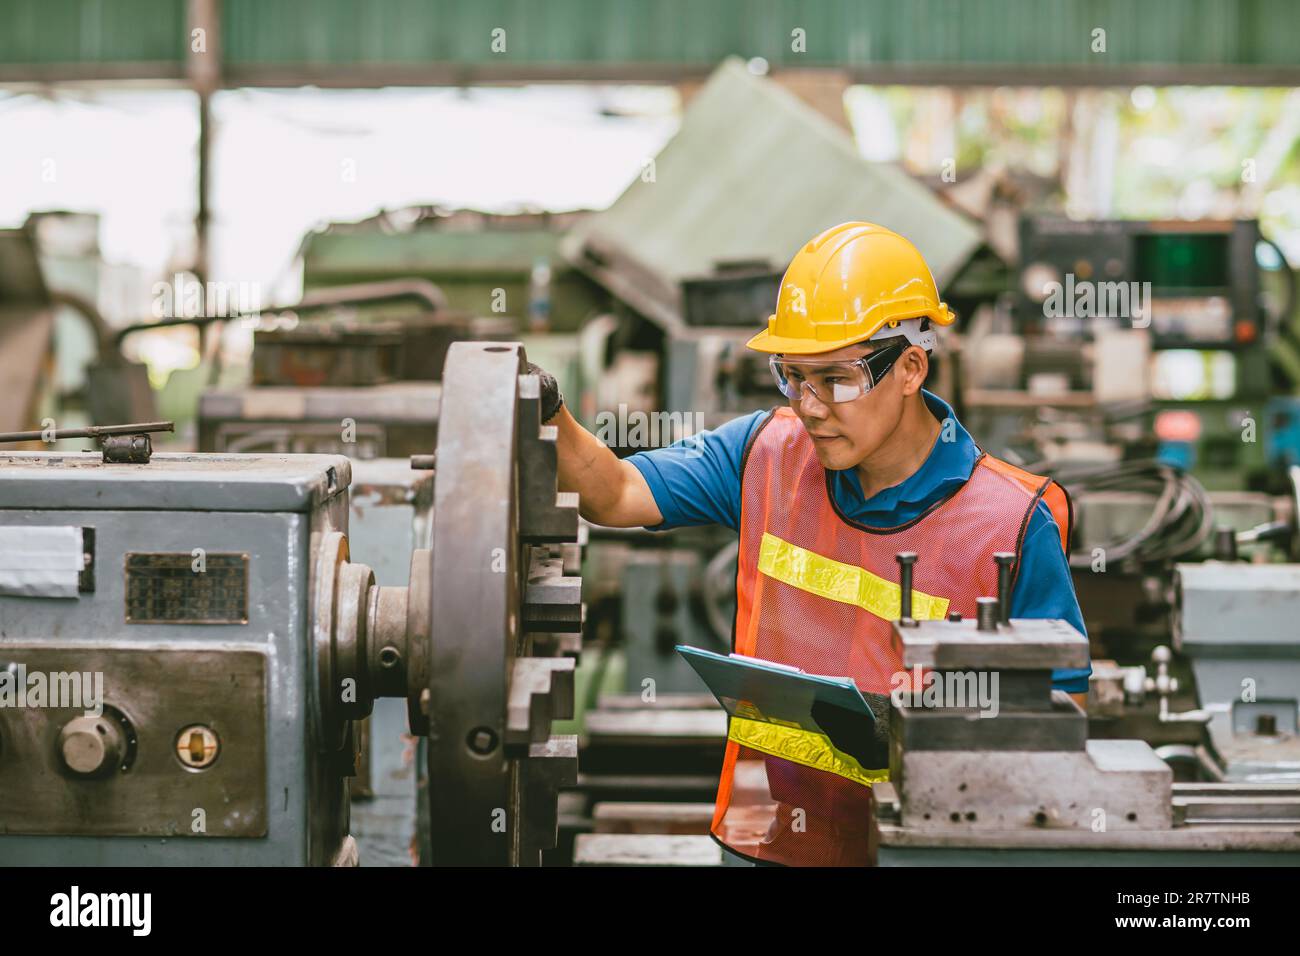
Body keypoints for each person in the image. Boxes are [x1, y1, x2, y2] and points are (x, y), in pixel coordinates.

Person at [533, 221, 1091, 866]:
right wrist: (549, 410)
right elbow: (618, 493)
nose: (811, 407)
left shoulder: (1013, 518)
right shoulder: (764, 454)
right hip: (772, 845)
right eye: (793, 377)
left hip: (930, 852)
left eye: (837, 380)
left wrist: (927, 734)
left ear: (911, 366)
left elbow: (1062, 713)